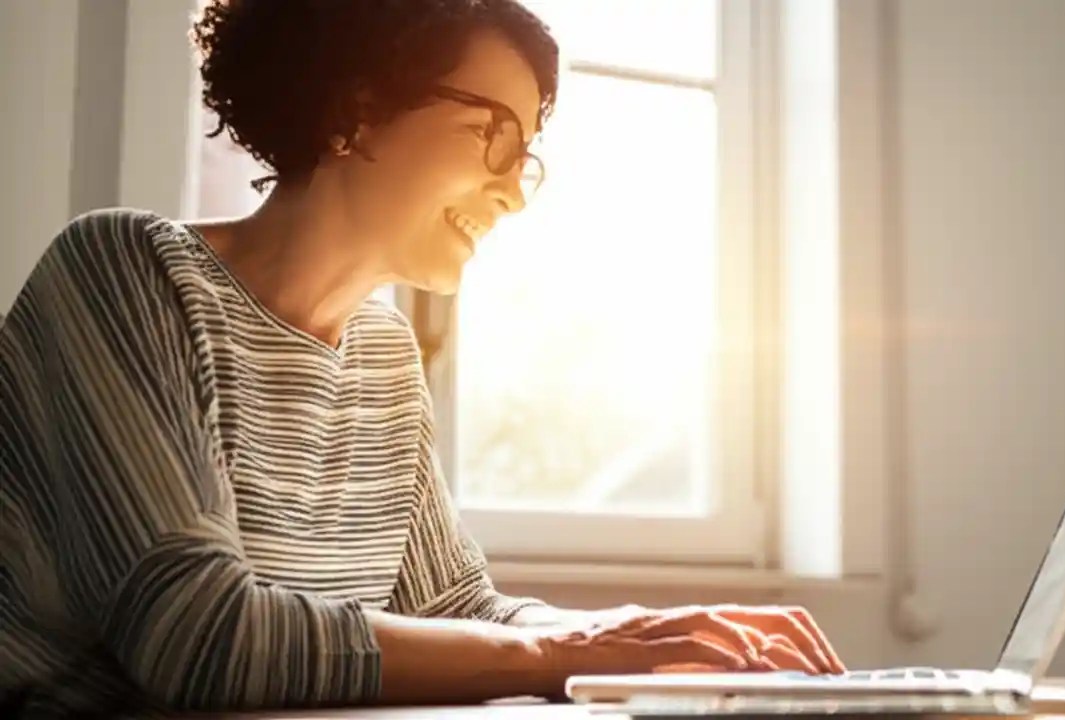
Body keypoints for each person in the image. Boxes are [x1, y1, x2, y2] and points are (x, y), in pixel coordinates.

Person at [0, 0, 845, 715]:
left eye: (525, 157)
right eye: (491, 134)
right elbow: (196, 633)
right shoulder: (125, 269)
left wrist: (659, 639)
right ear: (356, 110)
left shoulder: (383, 356)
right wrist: (569, 651)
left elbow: (457, 608)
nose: (513, 192)